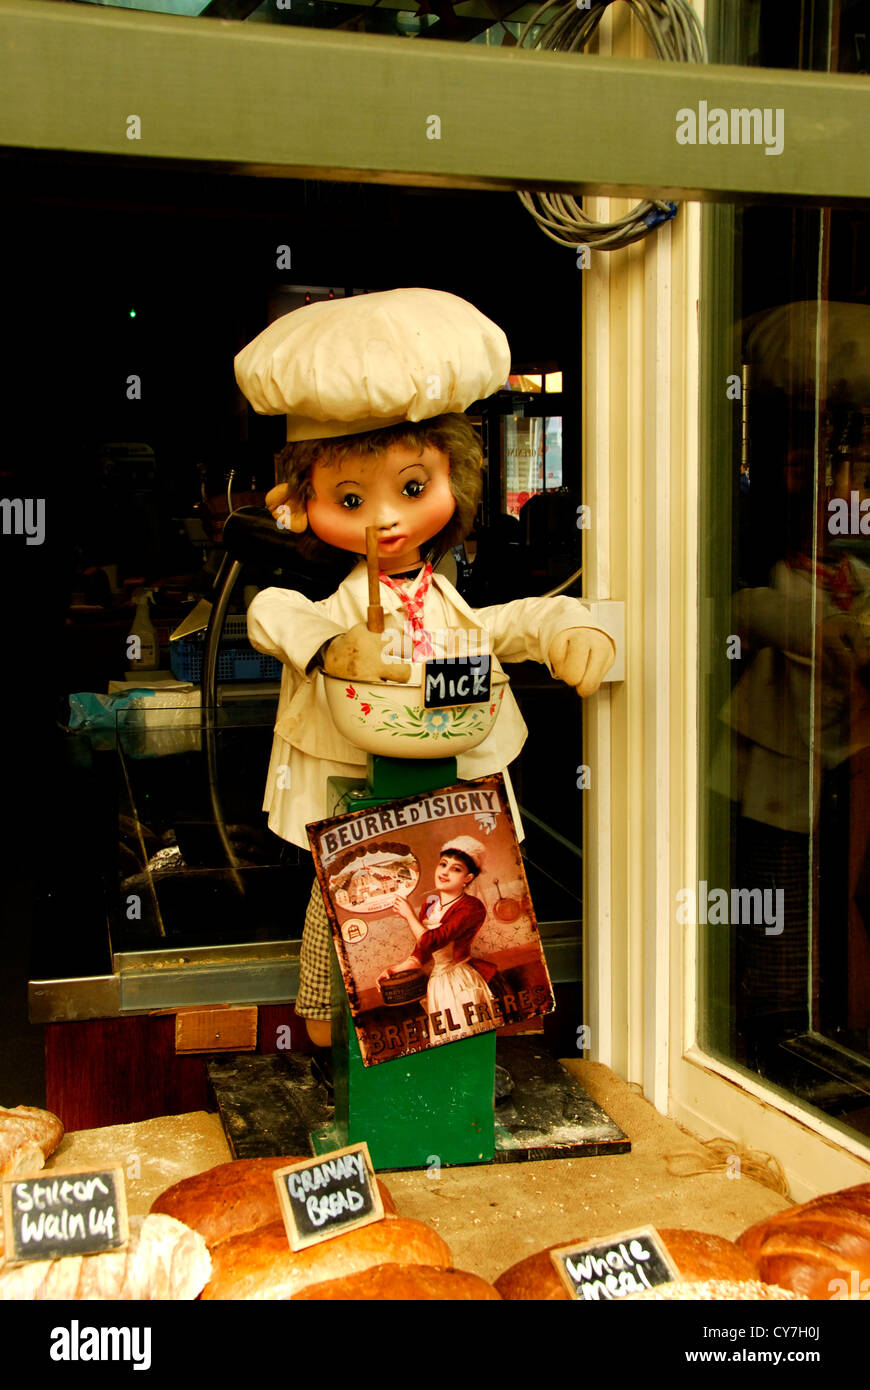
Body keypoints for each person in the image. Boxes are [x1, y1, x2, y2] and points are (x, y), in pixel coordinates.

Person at [236, 288, 617, 1047]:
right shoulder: (328, 605)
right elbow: (273, 613)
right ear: (299, 501)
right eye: (350, 497)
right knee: (343, 889)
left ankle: (490, 1002)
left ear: (457, 482)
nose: (385, 518)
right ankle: (324, 1005)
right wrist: (332, 648)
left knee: (486, 883)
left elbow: (497, 627)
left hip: (455, 773)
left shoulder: (444, 599)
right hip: (353, 771)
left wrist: (563, 623)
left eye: (413, 488)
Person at [378, 837, 496, 1043]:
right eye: (443, 864)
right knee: (443, 1041)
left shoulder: (471, 907)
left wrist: (409, 916)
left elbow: (433, 941)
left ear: (468, 878)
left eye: (456, 869)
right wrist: (396, 969)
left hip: (458, 981)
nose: (445, 872)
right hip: (437, 984)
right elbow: (422, 953)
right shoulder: (430, 904)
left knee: (465, 1036)